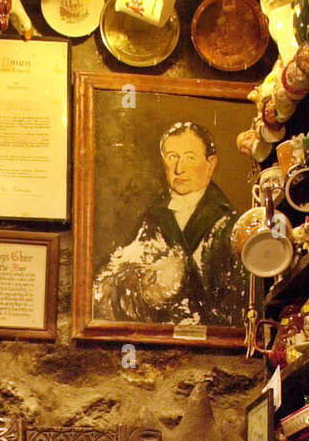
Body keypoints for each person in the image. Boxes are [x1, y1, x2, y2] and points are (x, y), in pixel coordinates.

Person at [92, 120, 247, 329]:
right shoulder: (152, 217)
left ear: (210, 164)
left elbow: (237, 306)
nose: (179, 168)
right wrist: (142, 284)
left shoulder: (231, 223)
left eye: (190, 158)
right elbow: (111, 283)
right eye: (172, 157)